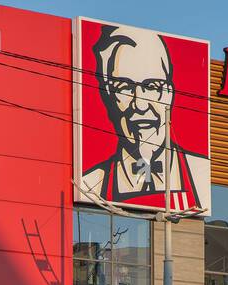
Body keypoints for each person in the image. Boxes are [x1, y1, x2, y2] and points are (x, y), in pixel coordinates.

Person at [81, 25, 209, 210]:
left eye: (152, 86)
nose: (140, 105)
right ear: (108, 97)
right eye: (124, 87)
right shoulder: (89, 186)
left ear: (169, 94)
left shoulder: (201, 174)